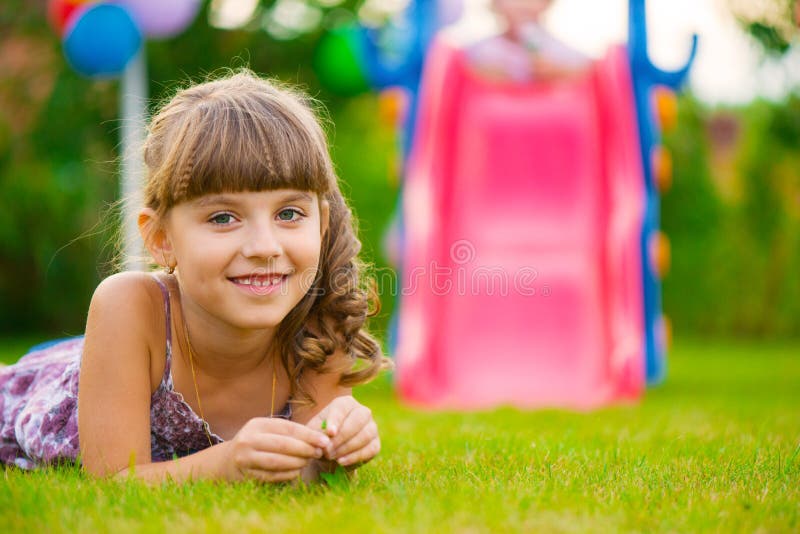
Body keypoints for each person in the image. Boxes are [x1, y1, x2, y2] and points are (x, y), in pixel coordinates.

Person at [0, 70, 392, 484]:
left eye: (289, 214)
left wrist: (342, 441)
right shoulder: (130, 306)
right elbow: (112, 480)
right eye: (223, 217)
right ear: (161, 238)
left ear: (321, 222)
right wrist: (227, 465)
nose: (264, 246)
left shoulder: (319, 318)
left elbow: (312, 469)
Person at [466, 0, 589, 83]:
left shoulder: (562, 52)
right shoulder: (478, 52)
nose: (523, 4)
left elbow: (592, 74)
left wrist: (560, 73)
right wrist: (478, 76)